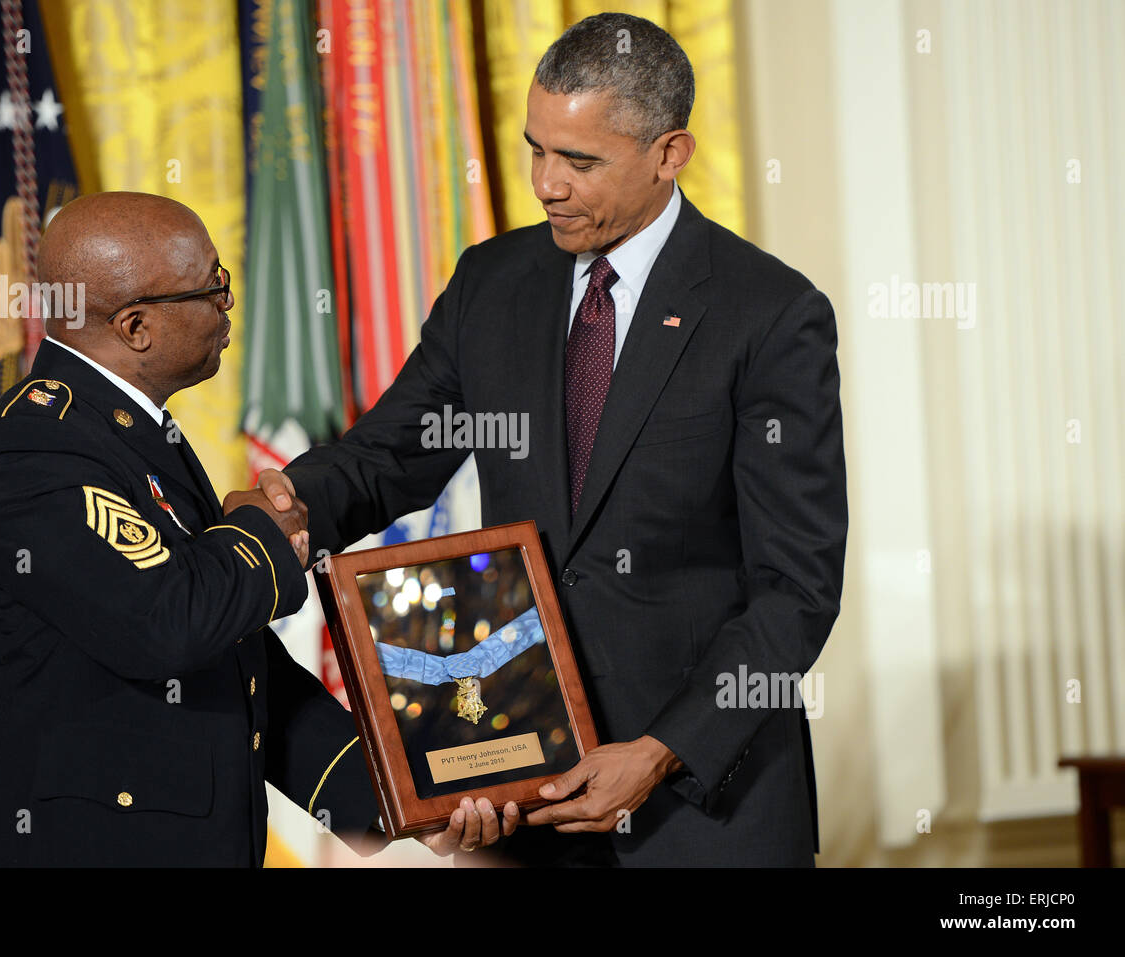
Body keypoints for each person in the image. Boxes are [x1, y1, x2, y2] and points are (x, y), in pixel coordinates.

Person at [261, 14, 848, 866]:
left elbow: (796, 590)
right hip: (527, 790)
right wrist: (285, 505)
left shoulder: (770, 313)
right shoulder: (491, 284)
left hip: (708, 807)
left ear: (669, 153)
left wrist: (661, 750)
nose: (546, 184)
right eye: (535, 149)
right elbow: (391, 455)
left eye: (579, 161)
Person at [0, 191, 516, 865]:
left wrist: (399, 799)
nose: (227, 307)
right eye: (212, 288)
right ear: (136, 326)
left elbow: (236, 665)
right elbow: (170, 619)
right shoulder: (34, 446)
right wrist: (262, 525)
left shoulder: (131, 433)